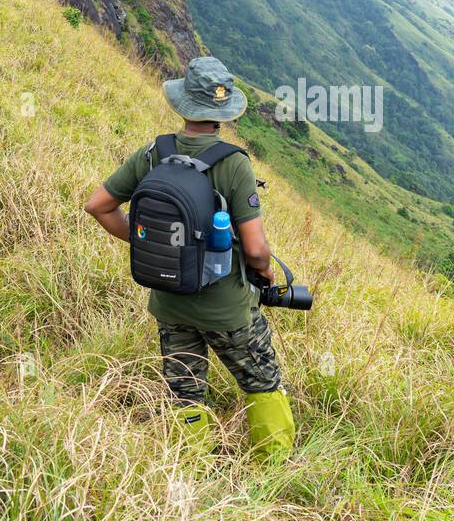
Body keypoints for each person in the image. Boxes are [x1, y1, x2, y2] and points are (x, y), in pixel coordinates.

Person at [83, 56, 295, 459]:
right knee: (261, 380)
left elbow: (98, 206)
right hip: (227, 308)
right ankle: (274, 466)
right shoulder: (233, 164)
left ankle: (192, 466)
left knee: (184, 389)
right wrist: (265, 274)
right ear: (224, 114)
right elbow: (254, 249)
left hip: (169, 299)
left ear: (182, 106)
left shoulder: (152, 153)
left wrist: (151, 243)